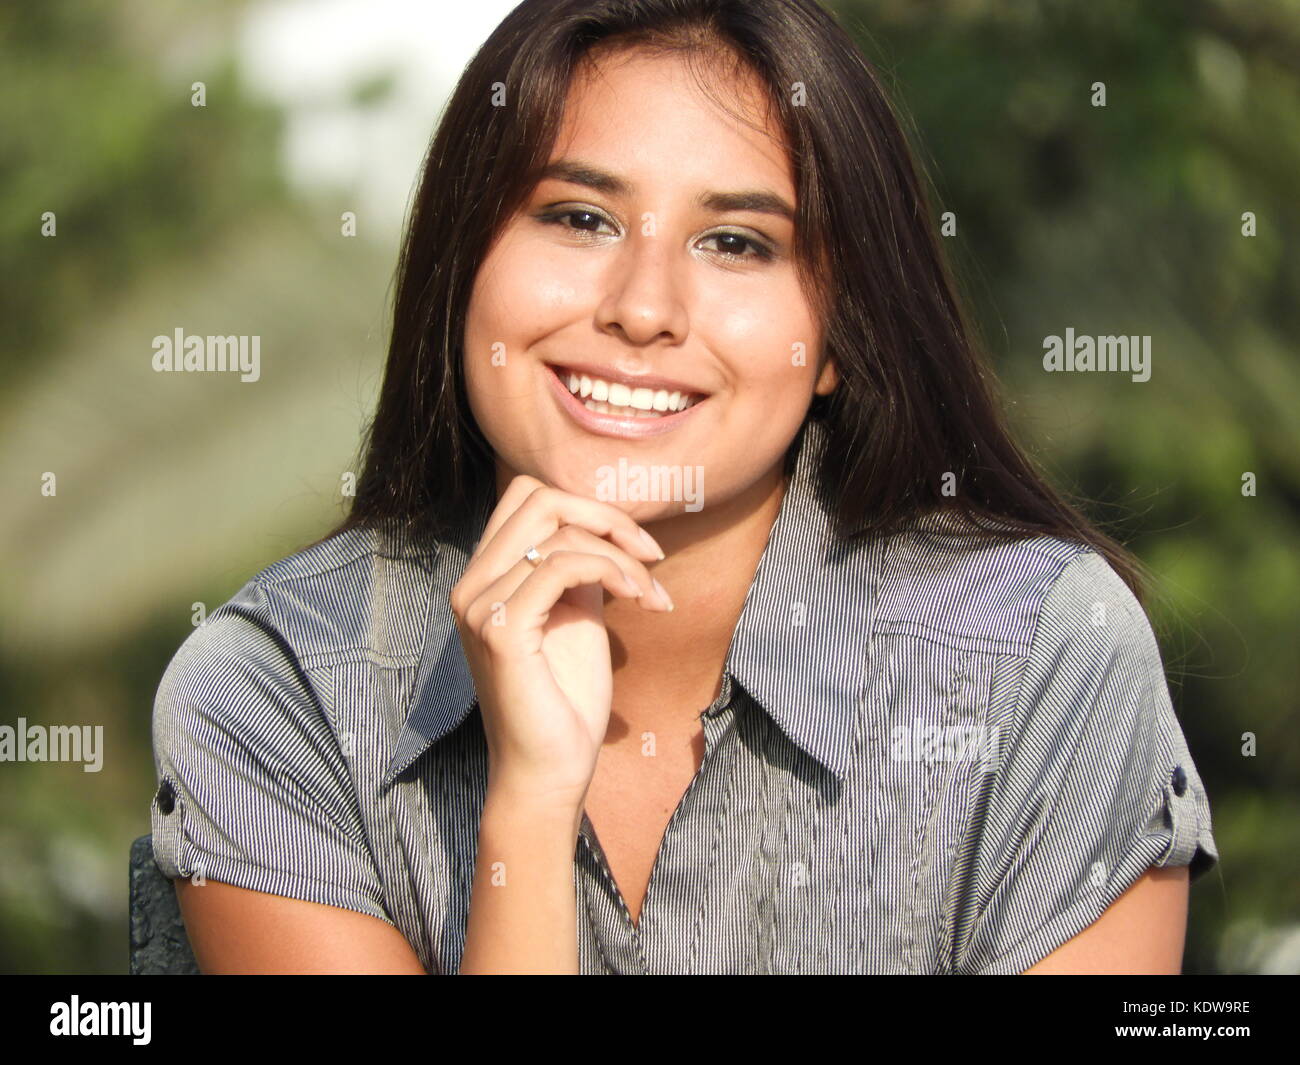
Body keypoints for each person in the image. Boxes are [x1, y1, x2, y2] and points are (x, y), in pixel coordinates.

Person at [149, 0, 1218, 974]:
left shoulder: (1039, 657)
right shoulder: (274, 694)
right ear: (460, 260)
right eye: (578, 218)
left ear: (836, 335)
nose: (643, 307)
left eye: (736, 242)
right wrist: (525, 808)